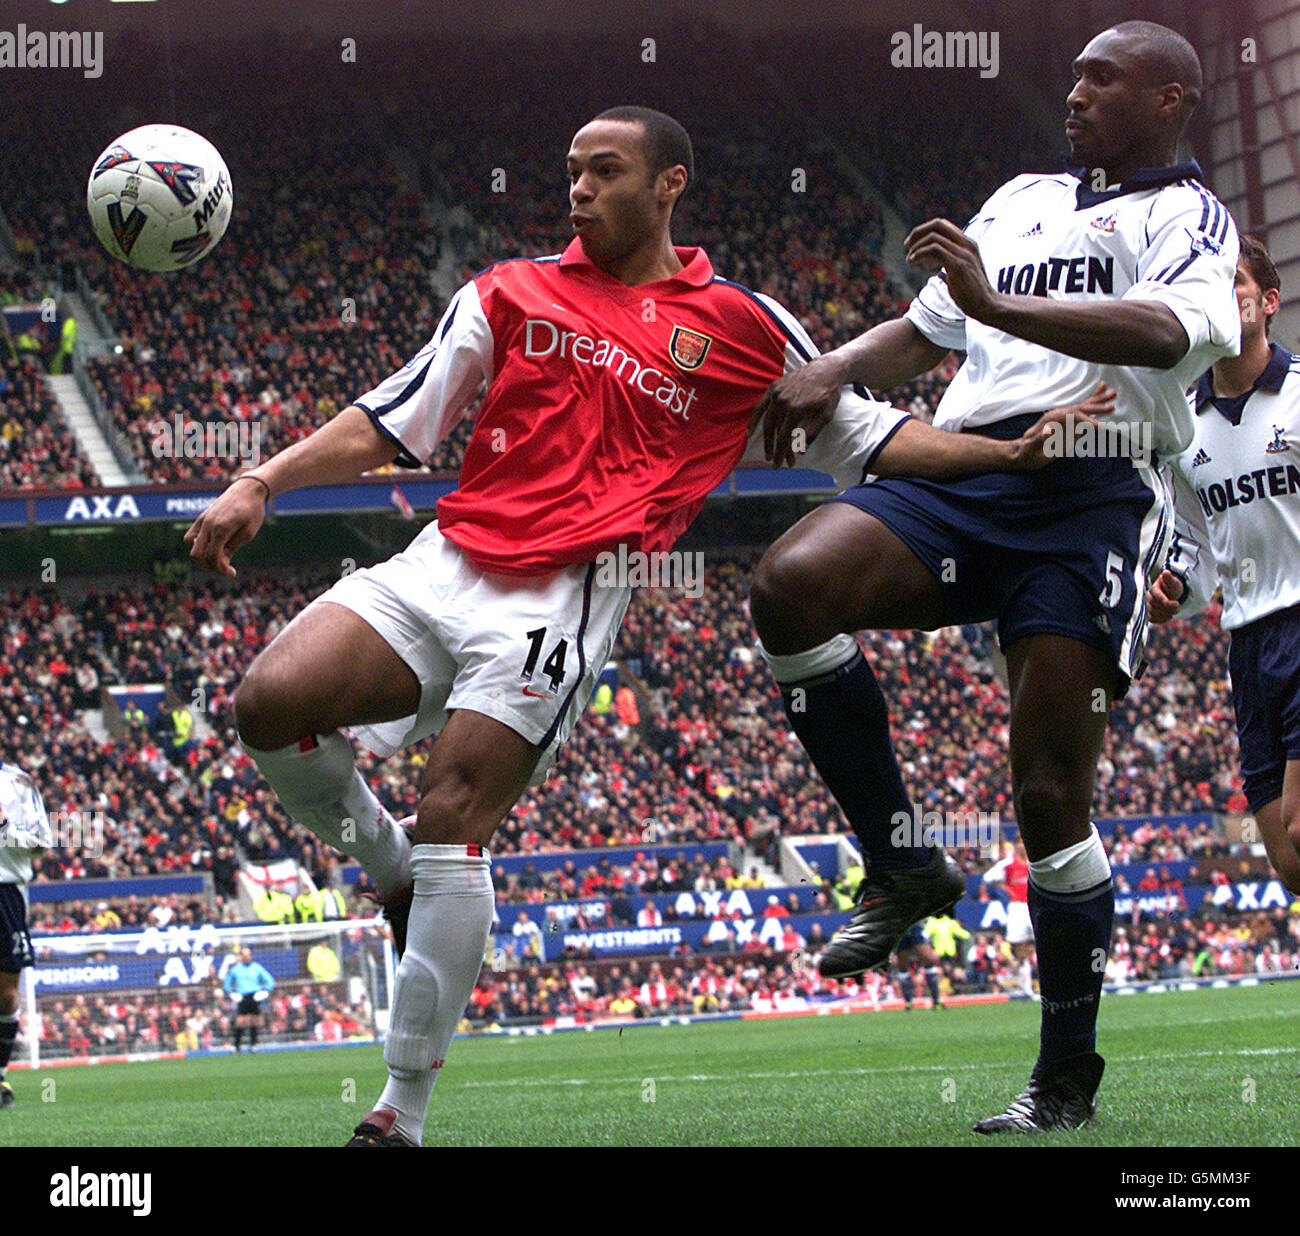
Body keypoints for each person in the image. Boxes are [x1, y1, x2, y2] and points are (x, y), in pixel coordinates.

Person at [185, 106, 1107, 1148]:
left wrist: (1005, 458)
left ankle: (400, 1114)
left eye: (604, 170)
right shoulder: (506, 291)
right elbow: (390, 420)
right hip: (442, 562)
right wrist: (261, 478)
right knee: (267, 706)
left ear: (668, 184)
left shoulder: (742, 325)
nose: (578, 188)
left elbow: (875, 440)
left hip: (564, 597)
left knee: (455, 818)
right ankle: (385, 868)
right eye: (571, 170)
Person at [748, 21, 1239, 1132]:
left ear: (1168, 101)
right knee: (787, 585)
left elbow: (1168, 332)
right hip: (967, 474)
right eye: (1071, 74)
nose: (1074, 92)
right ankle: (902, 862)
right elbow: (922, 338)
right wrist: (829, 369)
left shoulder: (1185, 216)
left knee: (1049, 797)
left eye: (1102, 78)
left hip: (1091, 492)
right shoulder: (1018, 196)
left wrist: (997, 305)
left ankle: (1065, 1078)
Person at [1149, 235, 1300, 894]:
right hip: (1248, 645)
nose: (1226, 288)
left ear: (1269, 301)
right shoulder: (1183, 426)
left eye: (1238, 279)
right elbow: (1196, 552)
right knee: (1291, 868)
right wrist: (1173, 592)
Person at [0, 761, 52, 1107]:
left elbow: (41, 843)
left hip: (5, 891)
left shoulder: (17, 782)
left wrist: (4, 827)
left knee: (5, 995)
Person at [983, 838, 1036, 995]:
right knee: (1019, 946)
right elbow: (988, 878)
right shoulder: (1008, 863)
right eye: (1019, 843)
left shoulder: (1035, 861)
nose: (1022, 846)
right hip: (1017, 907)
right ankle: (1026, 988)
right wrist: (1004, 887)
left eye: (1023, 843)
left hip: (1035, 905)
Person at [223, 946, 275, 1053]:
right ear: (241, 956)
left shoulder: (257, 967)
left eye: (248, 955)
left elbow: (269, 980)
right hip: (242, 996)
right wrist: (231, 993)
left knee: (253, 1021)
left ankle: (253, 1045)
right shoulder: (236, 969)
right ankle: (237, 1045)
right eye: (244, 955)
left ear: (251, 955)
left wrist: (265, 991)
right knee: (240, 1021)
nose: (246, 957)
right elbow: (227, 982)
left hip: (254, 995)